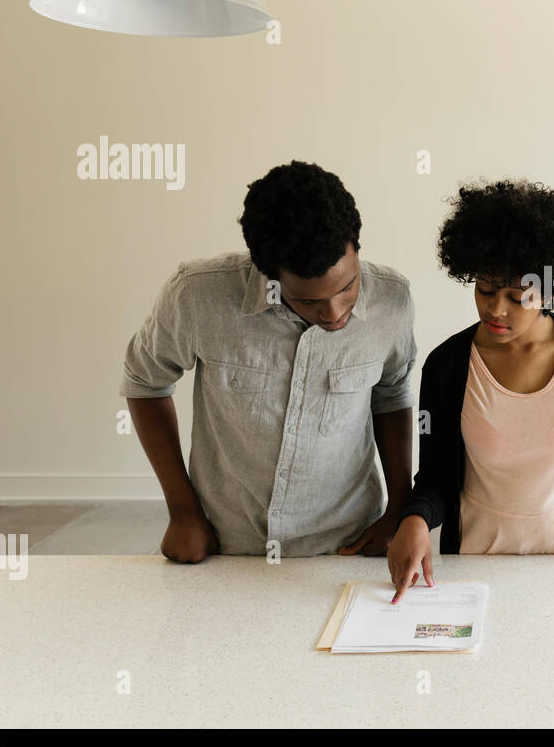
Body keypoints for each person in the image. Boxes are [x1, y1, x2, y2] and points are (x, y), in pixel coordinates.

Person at [119, 160, 417, 561]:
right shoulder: (195, 294)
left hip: (347, 542)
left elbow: (391, 395)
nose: (334, 312)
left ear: (357, 247)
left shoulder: (392, 300)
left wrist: (397, 513)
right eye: (309, 300)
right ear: (268, 276)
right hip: (231, 543)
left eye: (348, 287)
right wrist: (183, 511)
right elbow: (144, 382)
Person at [386, 179, 554, 602]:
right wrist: (414, 520)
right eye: (486, 290)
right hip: (475, 564)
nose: (496, 309)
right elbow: (436, 473)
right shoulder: (447, 366)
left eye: (517, 296)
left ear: (551, 288)